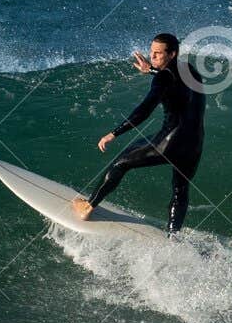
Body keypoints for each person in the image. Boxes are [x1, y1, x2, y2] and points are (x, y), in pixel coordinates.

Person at [72, 32, 205, 235]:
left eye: (158, 54)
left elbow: (144, 109)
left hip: (169, 141)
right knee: (180, 190)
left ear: (172, 53)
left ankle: (88, 207)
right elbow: (174, 81)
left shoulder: (162, 79)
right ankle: (173, 237)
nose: (152, 56)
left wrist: (114, 133)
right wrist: (151, 69)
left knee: (120, 163)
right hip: (194, 144)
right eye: (151, 52)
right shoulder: (190, 71)